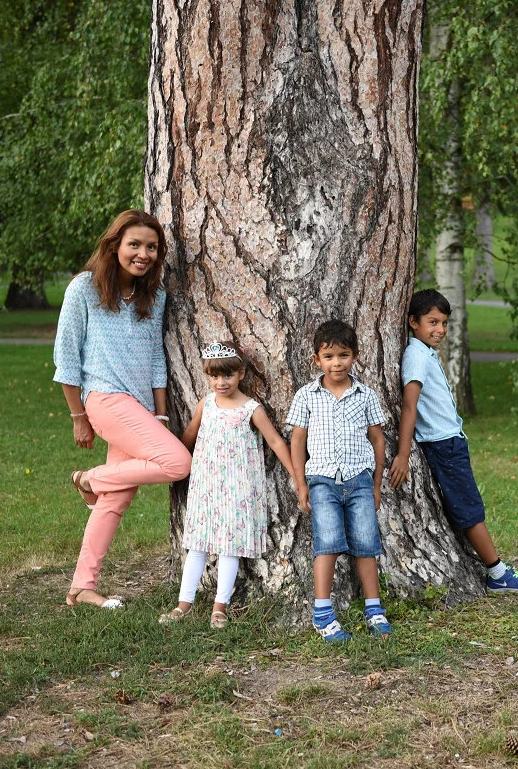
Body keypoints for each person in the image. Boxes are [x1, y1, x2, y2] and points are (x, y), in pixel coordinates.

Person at [54, 209, 192, 610]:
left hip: (142, 406)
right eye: (135, 244)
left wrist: (161, 414)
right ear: (115, 245)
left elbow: (155, 360)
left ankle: (82, 587)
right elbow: (66, 358)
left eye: (152, 247)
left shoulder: (154, 296)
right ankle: (89, 477)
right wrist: (78, 416)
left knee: (116, 496)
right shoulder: (84, 289)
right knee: (177, 462)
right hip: (105, 399)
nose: (143, 254)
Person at [389, 289, 518, 594]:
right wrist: (403, 453)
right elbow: (409, 405)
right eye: (432, 322)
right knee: (470, 509)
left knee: (465, 504)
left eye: (444, 323)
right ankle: (497, 573)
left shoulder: (424, 353)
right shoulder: (416, 356)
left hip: (451, 441)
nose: (440, 330)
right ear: (412, 322)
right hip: (443, 445)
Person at [158, 340, 297, 627]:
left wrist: (296, 474)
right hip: (206, 485)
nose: (221, 382)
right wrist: (175, 468)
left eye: (228, 375)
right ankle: (184, 603)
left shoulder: (251, 409)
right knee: (197, 544)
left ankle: (220, 606)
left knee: (228, 547)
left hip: (237, 488)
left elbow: (274, 440)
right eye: (214, 376)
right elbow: (190, 436)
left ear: (241, 374)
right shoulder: (205, 404)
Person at [286, 320, 392, 642]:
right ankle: (322, 612)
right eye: (329, 356)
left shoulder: (365, 395)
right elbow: (297, 441)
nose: (337, 363)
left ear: (355, 356)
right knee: (327, 542)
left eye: (343, 355)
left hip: (359, 479)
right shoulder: (306, 396)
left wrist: (375, 484)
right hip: (322, 480)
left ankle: (374, 608)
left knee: (365, 542)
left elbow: (377, 440)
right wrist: (301, 483)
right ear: (317, 359)